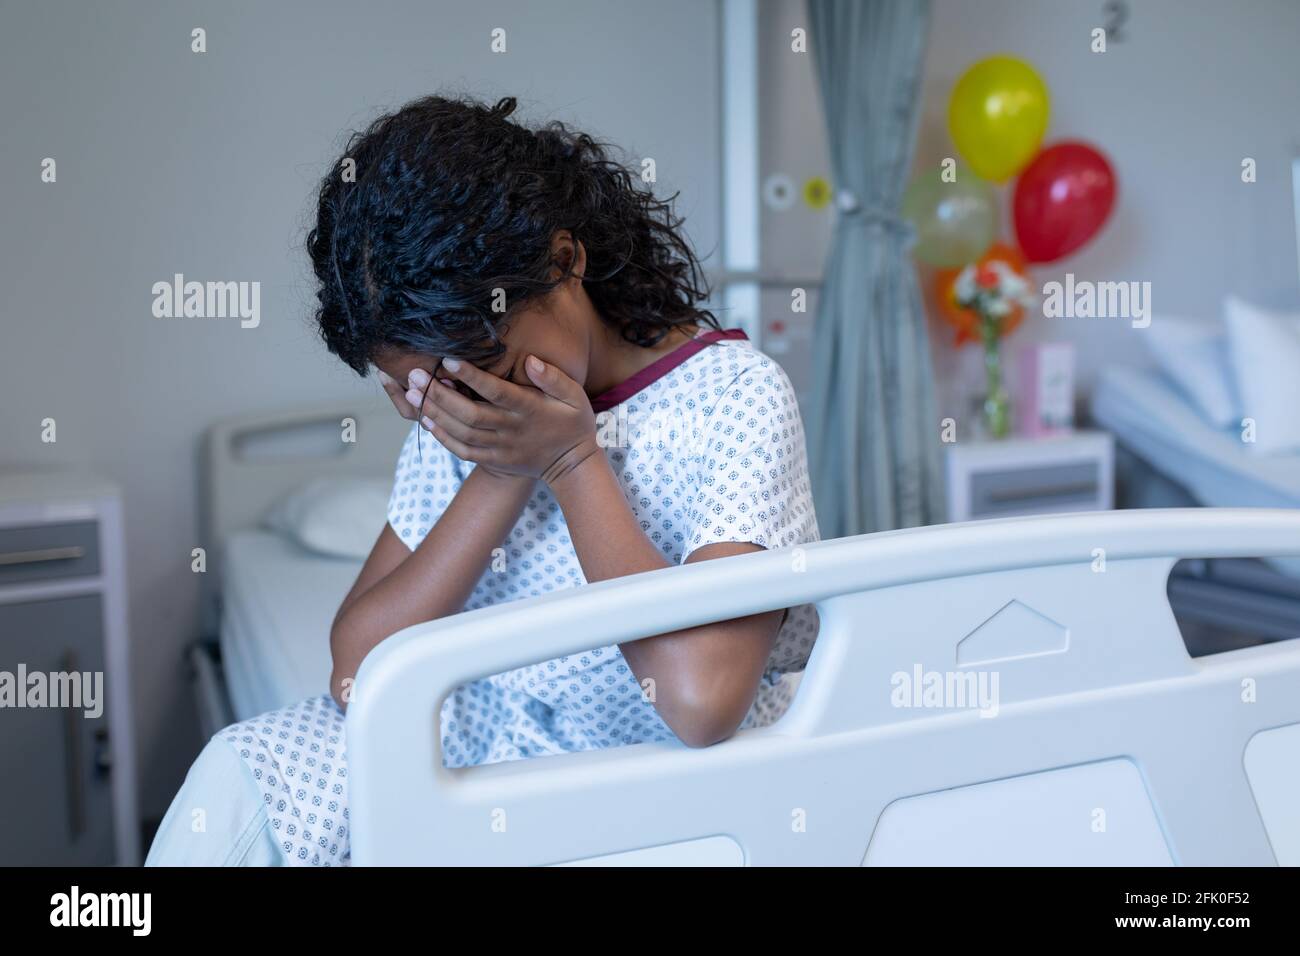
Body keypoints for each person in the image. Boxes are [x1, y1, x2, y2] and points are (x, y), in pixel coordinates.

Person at [147, 94, 819, 866]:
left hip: (656, 774)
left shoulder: (735, 397)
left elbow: (699, 703)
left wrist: (571, 462)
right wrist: (502, 469)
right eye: (421, 390)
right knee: (239, 777)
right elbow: (357, 675)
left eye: (484, 373)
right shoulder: (462, 417)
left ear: (566, 261)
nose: (456, 407)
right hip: (488, 739)